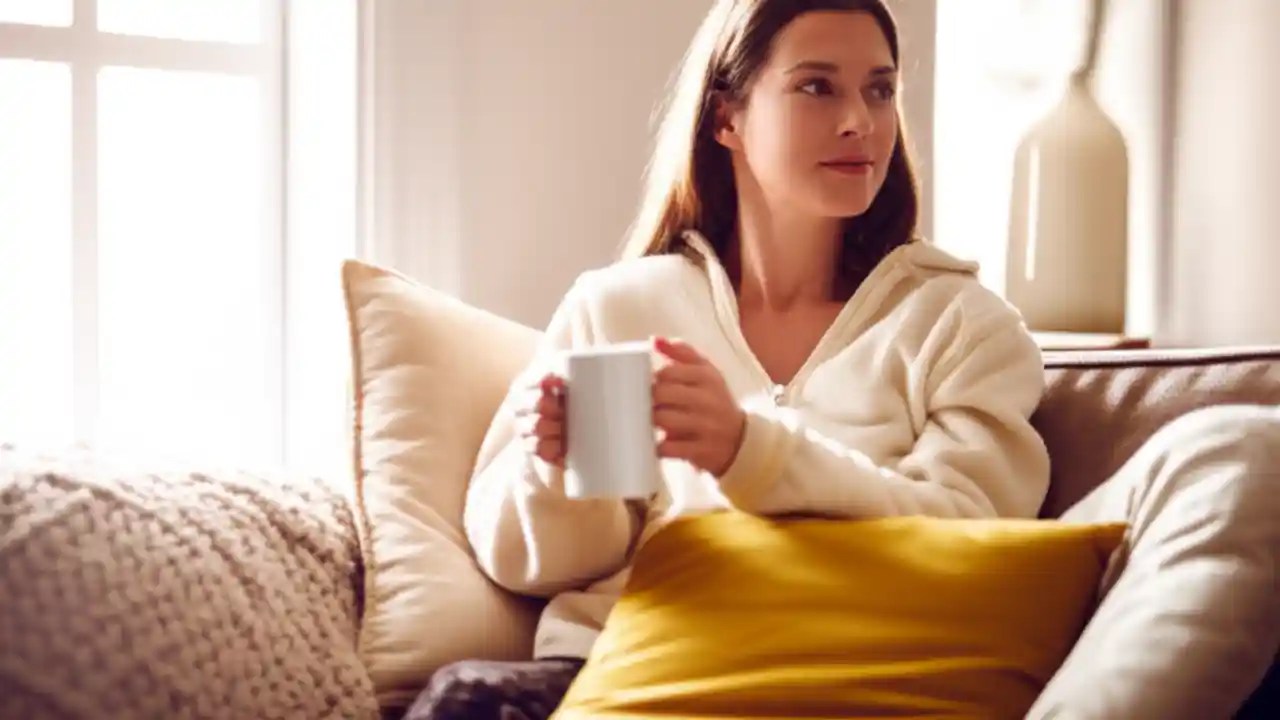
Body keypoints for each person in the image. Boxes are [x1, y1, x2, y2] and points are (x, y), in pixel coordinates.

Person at [404, 0, 1280, 718]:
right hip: (633, 675)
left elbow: (971, 529)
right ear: (727, 119)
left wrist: (752, 451)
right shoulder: (619, 306)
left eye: (880, 89)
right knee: (467, 700)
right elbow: (539, 565)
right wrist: (553, 469)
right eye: (816, 87)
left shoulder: (961, 324)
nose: (860, 122)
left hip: (860, 683)